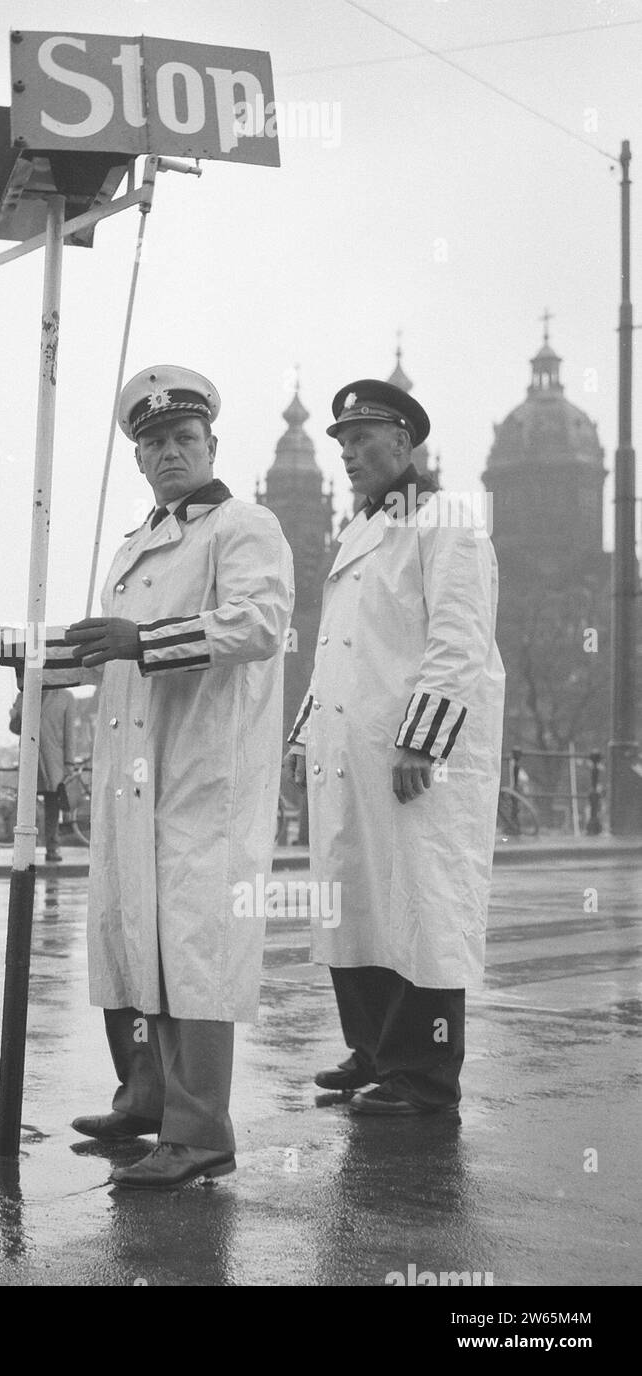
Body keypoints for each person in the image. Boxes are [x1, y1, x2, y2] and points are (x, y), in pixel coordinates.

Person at [0, 365, 294, 1188]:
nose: (169, 454)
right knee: (128, 935)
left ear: (211, 444)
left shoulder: (243, 525)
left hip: (200, 778)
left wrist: (145, 642)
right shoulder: (134, 545)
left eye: (184, 439)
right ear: (140, 458)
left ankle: (201, 1133)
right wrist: (36, 668)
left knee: (193, 947)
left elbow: (258, 624)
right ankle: (144, 1096)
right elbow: (106, 648)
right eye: (154, 444)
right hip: (131, 778)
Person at [285, 378, 504, 1115]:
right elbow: (335, 648)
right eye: (341, 442)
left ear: (403, 443)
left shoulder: (447, 521)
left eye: (360, 439)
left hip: (410, 756)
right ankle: (375, 1050)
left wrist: (423, 740)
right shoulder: (358, 530)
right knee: (353, 902)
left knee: (421, 906)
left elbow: (459, 638)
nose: (347, 452)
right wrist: (305, 731)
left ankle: (423, 1075)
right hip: (349, 750)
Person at [8, 687, 72, 862]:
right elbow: (16, 728)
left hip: (54, 759)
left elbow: (69, 733)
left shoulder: (65, 697)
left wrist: (69, 763)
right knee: (27, 808)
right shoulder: (24, 694)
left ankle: (53, 847)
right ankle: (25, 849)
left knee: (53, 806)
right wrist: (14, 716)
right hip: (31, 758)